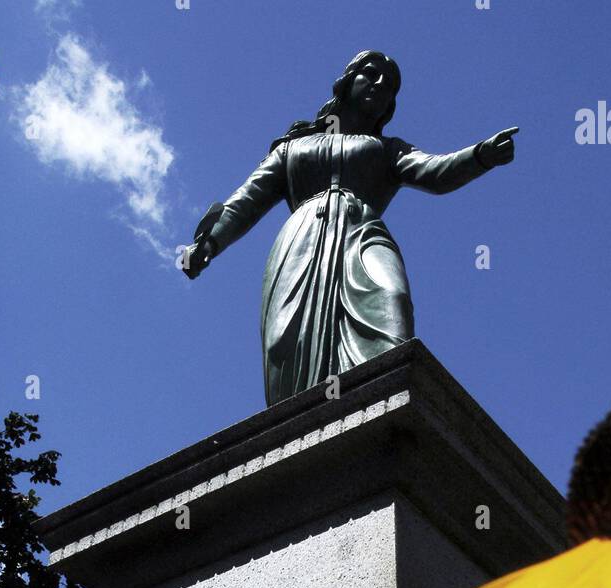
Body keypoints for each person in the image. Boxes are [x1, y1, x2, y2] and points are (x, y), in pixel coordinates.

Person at [183, 50, 517, 405]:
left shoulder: (388, 150)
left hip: (363, 233)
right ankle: (302, 427)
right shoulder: (293, 147)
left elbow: (435, 172)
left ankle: (387, 413)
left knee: (391, 299)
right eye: (371, 75)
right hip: (301, 242)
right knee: (289, 341)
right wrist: (210, 243)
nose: (379, 86)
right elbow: (247, 200)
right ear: (347, 81)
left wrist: (480, 156)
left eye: (389, 87)